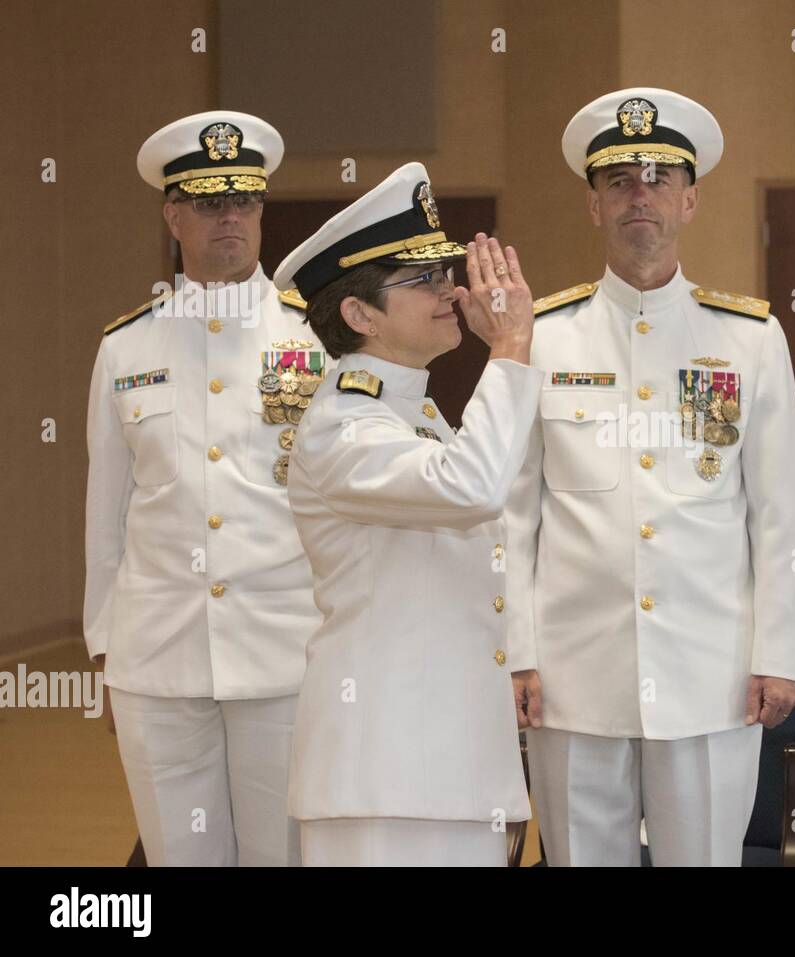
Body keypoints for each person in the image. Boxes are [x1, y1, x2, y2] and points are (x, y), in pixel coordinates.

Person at [505, 88, 795, 866]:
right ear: (594, 205)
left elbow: (779, 513)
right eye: (619, 181)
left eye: (658, 178)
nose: (640, 195)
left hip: (708, 675)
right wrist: (517, 650)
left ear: (691, 198)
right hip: (575, 677)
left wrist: (779, 649)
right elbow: (513, 513)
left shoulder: (749, 338)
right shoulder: (542, 337)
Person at [273, 162, 541, 866]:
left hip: (443, 766)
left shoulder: (413, 411)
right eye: (421, 280)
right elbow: (474, 486)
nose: (450, 289)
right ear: (360, 315)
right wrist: (510, 348)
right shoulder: (343, 424)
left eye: (442, 272)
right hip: (384, 774)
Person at [85, 111, 327, 866]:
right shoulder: (126, 347)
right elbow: (107, 512)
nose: (231, 217)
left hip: (285, 656)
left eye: (245, 200)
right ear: (174, 214)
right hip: (159, 661)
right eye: (210, 200)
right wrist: (103, 650)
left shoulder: (318, 337)